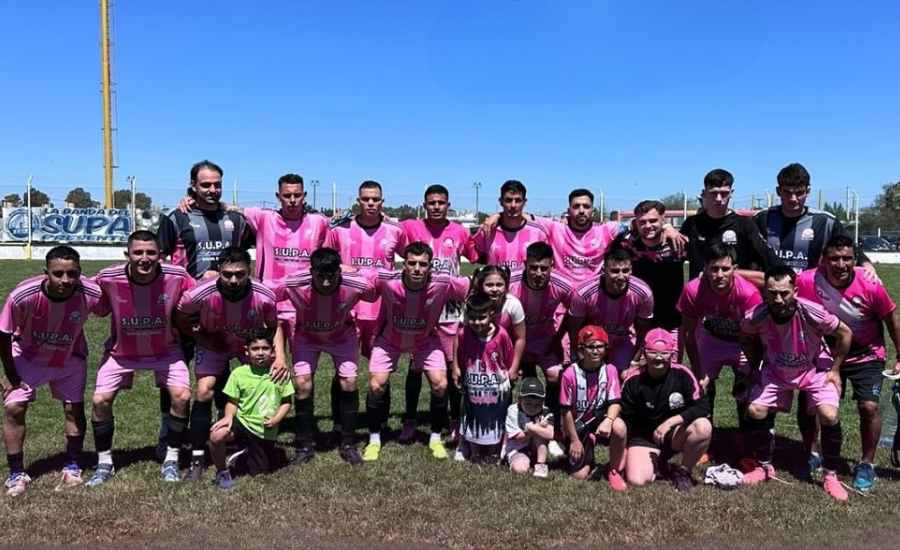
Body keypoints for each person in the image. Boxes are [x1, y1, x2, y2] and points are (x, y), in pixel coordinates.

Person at [753, 162, 878, 480]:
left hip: (812, 310)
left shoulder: (824, 221)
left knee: (811, 382)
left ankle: (820, 454)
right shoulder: (762, 219)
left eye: (799, 192)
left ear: (807, 191)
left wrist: (867, 265)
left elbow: (848, 249)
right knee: (776, 374)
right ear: (778, 190)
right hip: (775, 308)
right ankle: (792, 451)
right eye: (787, 192)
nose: (793, 198)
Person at [158, 160, 254, 459]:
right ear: (192, 186)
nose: (212, 190)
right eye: (205, 185)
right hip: (183, 310)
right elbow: (161, 262)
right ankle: (169, 432)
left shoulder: (236, 222)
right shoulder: (176, 219)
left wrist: (239, 209)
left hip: (224, 310)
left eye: (217, 185)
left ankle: (218, 430)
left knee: (218, 372)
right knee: (175, 375)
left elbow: (260, 242)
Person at [87, 231, 197, 486]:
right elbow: (81, 290)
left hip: (165, 351)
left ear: (160, 255)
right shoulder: (108, 277)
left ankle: (171, 458)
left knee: (181, 396)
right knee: (100, 400)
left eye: (150, 252)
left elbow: (199, 296)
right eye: (138, 252)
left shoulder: (177, 276)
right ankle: (104, 462)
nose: (144, 258)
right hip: (122, 352)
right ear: (128, 255)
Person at [739, 266, 853, 501]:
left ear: (796, 291)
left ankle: (830, 475)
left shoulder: (812, 311)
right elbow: (746, 336)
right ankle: (763, 465)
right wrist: (754, 366)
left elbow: (845, 333)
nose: (778, 299)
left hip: (814, 369)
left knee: (829, 415)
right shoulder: (756, 315)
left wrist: (835, 369)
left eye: (784, 293)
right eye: (772, 293)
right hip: (777, 371)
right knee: (755, 409)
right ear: (765, 293)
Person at [796, 235, 900, 491]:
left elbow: (891, 318)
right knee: (811, 406)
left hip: (867, 353)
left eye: (847, 259)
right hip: (823, 354)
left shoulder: (870, 284)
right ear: (823, 260)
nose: (840, 264)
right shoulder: (807, 280)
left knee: (868, 407)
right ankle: (812, 453)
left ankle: (866, 464)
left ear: (855, 260)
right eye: (834, 258)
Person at [0, 246, 103, 495]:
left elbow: (114, 306)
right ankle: (16, 473)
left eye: (72, 274)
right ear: (45, 272)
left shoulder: (91, 292)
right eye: (58, 273)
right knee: (14, 407)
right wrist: (11, 375)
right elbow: (3, 335)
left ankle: (72, 465)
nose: (66, 280)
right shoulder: (23, 295)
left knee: (73, 409)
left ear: (80, 273)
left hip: (69, 359)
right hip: (27, 357)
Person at [174, 247, 279, 480]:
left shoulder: (265, 295)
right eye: (227, 274)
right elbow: (180, 315)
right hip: (214, 343)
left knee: (258, 389)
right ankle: (198, 457)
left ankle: (247, 444)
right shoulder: (199, 293)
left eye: (240, 274)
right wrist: (202, 338)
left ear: (249, 271)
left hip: (246, 345)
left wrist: (269, 352)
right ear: (218, 271)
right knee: (203, 391)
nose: (233, 280)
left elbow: (273, 325)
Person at [363, 242, 469, 462]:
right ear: (404, 265)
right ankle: (373, 440)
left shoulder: (442, 282)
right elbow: (358, 274)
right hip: (390, 339)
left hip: (425, 340)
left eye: (423, 264)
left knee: (440, 384)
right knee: (376, 385)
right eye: (412, 263)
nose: (417, 269)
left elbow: (475, 286)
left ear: (431, 266)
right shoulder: (388, 280)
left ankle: (435, 438)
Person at [273, 247, 378, 465]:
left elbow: (375, 289)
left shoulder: (355, 283)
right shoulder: (293, 282)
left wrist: (356, 270)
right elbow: (267, 294)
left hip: (342, 335)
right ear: (311, 272)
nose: (327, 282)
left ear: (339, 271)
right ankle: (304, 444)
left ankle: (348, 443)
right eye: (321, 276)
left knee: (349, 382)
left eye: (332, 276)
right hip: (307, 336)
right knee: (302, 384)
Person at [326, 180, 407, 438]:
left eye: (375, 199)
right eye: (366, 199)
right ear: (358, 201)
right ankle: (340, 421)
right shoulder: (341, 229)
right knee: (343, 369)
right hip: (347, 311)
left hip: (382, 311)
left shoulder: (395, 230)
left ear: (382, 202)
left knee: (380, 371)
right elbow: (327, 261)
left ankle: (380, 420)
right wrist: (341, 268)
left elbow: (412, 256)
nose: (371, 204)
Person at [400, 184, 478, 450]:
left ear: (448, 204)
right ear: (424, 204)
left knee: (451, 366)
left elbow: (477, 254)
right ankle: (410, 419)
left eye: (441, 202)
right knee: (415, 367)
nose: (436, 207)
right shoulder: (410, 228)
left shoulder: (459, 231)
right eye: (431, 202)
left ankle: (454, 420)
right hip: (419, 310)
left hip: (450, 310)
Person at [677, 244, 762, 448]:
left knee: (746, 388)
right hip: (710, 339)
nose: (719, 275)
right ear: (705, 268)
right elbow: (688, 333)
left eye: (725, 269)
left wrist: (753, 367)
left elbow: (756, 335)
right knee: (703, 388)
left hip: (741, 341)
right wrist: (698, 372)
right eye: (714, 269)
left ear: (735, 268)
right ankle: (705, 439)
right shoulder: (693, 290)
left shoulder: (749, 293)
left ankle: (745, 439)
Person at [620, 329, 712, 492]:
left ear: (672, 353)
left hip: (674, 434)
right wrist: (623, 452)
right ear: (644, 353)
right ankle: (659, 463)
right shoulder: (633, 379)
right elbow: (625, 417)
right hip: (644, 436)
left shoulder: (683, 374)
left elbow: (703, 406)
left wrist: (671, 422)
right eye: (653, 352)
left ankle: (684, 471)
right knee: (637, 480)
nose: (659, 357)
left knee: (703, 427)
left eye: (664, 353)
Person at [208, 330, 293, 490]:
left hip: (263, 430)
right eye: (255, 349)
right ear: (246, 351)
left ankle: (246, 451)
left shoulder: (279, 374)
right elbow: (232, 401)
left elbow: (287, 402)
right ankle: (222, 472)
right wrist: (227, 417)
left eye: (265, 348)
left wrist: (276, 419)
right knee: (217, 435)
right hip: (242, 422)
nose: (260, 353)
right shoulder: (239, 373)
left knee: (260, 472)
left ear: (273, 350)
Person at [507, 242, 573, 421]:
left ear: (552, 265)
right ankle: (511, 420)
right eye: (533, 267)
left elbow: (574, 311)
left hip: (546, 340)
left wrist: (558, 337)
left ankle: (551, 420)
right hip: (516, 341)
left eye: (544, 268)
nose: (538, 273)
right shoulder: (510, 282)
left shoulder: (563, 285)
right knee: (508, 379)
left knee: (554, 376)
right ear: (525, 264)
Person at [680, 168, 779, 284]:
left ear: (731, 193)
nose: (719, 199)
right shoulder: (691, 224)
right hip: (701, 296)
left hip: (736, 296)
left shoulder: (745, 224)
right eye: (713, 193)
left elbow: (771, 261)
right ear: (704, 193)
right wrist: (667, 228)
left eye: (724, 193)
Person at [559, 326, 627, 490]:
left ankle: (614, 469)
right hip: (578, 424)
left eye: (600, 346)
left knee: (619, 427)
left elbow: (615, 402)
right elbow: (565, 410)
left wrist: (609, 421)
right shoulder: (569, 374)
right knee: (579, 476)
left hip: (600, 420)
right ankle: (584, 447)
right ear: (581, 349)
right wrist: (575, 440)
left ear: (606, 348)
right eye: (591, 347)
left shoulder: (610, 371)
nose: (596, 351)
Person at [566, 247, 654, 373]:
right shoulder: (584, 293)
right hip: (591, 340)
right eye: (615, 271)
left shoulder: (643, 293)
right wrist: (579, 354)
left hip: (622, 339)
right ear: (604, 270)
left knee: (624, 374)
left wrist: (635, 359)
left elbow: (643, 331)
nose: (621, 276)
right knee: (589, 373)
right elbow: (574, 328)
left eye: (625, 271)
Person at [453, 293, 515, 464]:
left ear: (492, 315)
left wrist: (511, 373)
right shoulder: (464, 334)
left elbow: (508, 358)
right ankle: (472, 450)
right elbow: (459, 354)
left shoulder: (501, 335)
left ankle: (495, 451)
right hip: (473, 386)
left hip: (496, 389)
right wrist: (456, 369)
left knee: (495, 420)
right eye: (472, 318)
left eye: (482, 318)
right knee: (472, 417)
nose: (477, 322)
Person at [616, 200, 687, 336]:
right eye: (642, 222)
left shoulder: (678, 244)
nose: (648, 226)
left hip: (672, 320)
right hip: (638, 320)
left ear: (663, 219)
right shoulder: (627, 245)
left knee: (671, 357)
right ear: (636, 223)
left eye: (653, 220)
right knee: (635, 358)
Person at [470, 180, 550, 271]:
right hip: (498, 285)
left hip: (524, 285)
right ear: (500, 202)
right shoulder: (488, 229)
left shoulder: (537, 233)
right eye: (508, 200)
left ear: (524, 202)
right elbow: (477, 256)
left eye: (518, 200)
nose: (513, 205)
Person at [504, 378, 554, 478]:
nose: (532, 407)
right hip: (517, 448)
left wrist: (532, 428)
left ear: (542, 402)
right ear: (519, 400)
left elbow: (550, 434)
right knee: (520, 469)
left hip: (535, 447)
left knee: (541, 435)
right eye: (528, 403)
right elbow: (519, 438)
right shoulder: (513, 410)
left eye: (537, 404)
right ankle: (516, 460)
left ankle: (540, 465)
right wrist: (536, 427)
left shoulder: (546, 411)